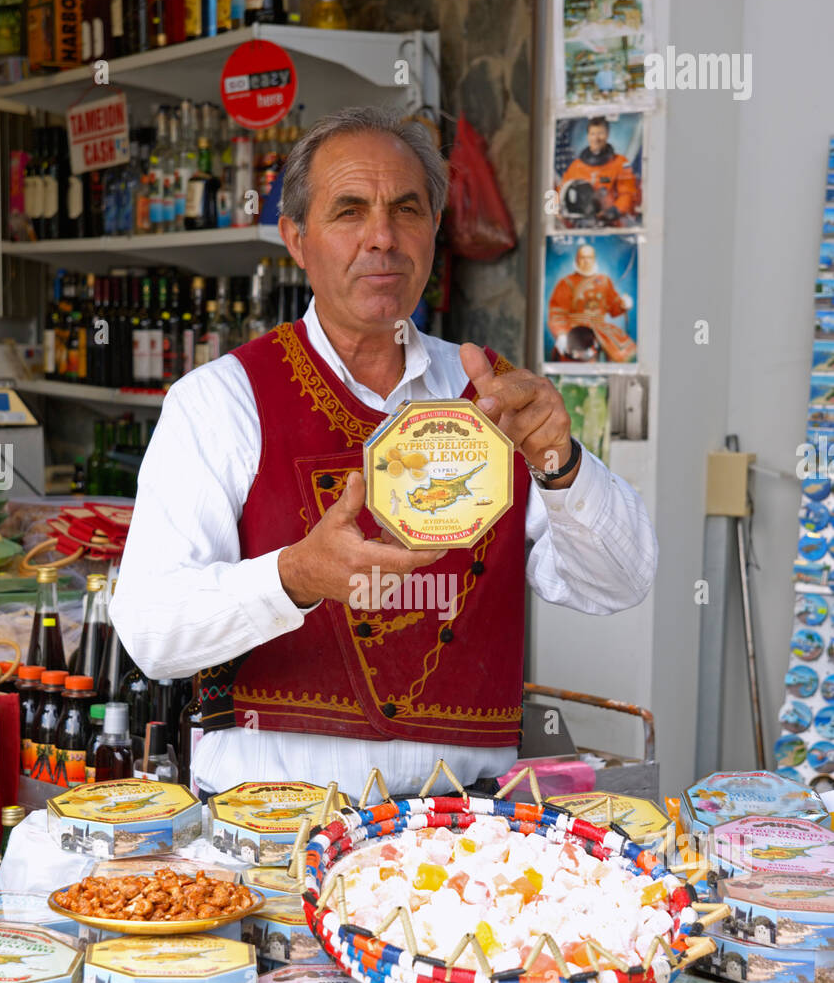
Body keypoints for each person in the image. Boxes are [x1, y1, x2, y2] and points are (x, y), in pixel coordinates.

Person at [111, 106, 657, 799]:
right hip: (276, 837)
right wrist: (295, 577)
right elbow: (153, 634)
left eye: (407, 209)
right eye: (348, 211)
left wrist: (562, 465)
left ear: (434, 231)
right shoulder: (221, 401)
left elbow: (621, 582)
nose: (382, 237)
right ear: (297, 240)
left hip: (462, 843)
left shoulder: (493, 395)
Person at [548, 242, 636, 363]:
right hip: (576, 330)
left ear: (594, 259)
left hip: (601, 329)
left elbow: (614, 308)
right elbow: (557, 313)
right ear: (577, 260)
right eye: (582, 258)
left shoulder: (604, 281)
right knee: (575, 359)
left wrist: (623, 304)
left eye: (589, 258)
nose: (586, 261)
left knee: (624, 354)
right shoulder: (566, 283)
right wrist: (562, 334)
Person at [559, 117, 640, 227]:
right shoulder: (576, 166)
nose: (596, 138)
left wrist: (614, 211)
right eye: (593, 134)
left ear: (607, 135)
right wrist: (557, 210)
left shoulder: (620, 163)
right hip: (580, 223)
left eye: (600, 133)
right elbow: (562, 191)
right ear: (588, 136)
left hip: (611, 223)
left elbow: (627, 193)